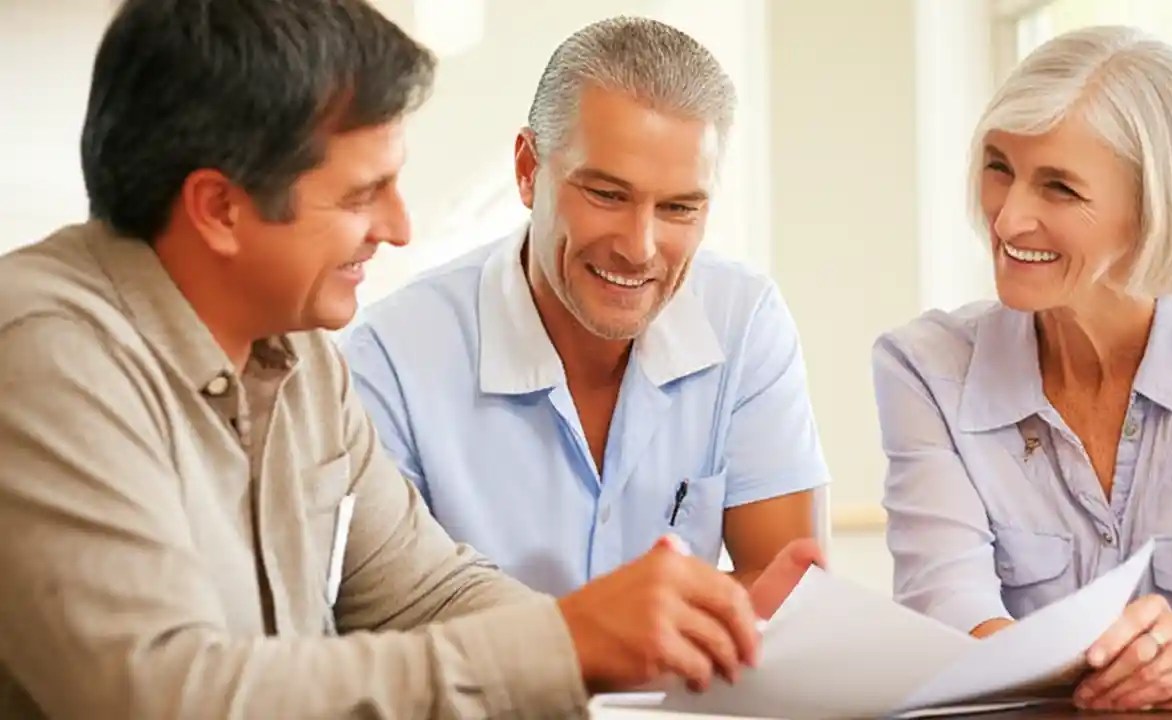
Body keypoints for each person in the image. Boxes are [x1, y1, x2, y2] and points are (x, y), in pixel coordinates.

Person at [0, 2, 777, 717]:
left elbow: (423, 590)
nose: (399, 227)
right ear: (220, 208)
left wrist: (615, 650)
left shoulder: (300, 357)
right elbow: (163, 694)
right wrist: (566, 643)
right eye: (362, 194)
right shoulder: (43, 354)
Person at [341, 16, 828, 613]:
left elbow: (786, 591)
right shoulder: (390, 356)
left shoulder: (745, 319)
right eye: (606, 195)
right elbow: (389, 621)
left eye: (678, 207)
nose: (639, 247)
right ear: (527, 170)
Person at [872, 25, 1172, 713]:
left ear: (1155, 212)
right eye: (999, 167)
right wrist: (1094, 669)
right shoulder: (925, 367)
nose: (1007, 220)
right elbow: (948, 613)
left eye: (1059, 188)